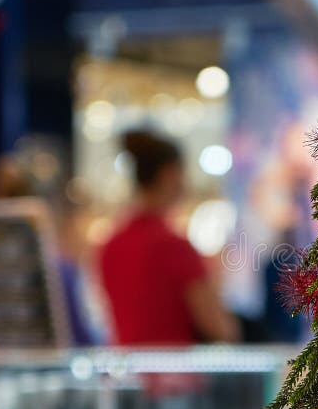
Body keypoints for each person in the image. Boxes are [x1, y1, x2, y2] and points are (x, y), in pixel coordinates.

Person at [99, 130, 239, 346]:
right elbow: (220, 328)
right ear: (170, 174)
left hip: (127, 373)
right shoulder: (175, 247)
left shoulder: (111, 245)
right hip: (176, 374)